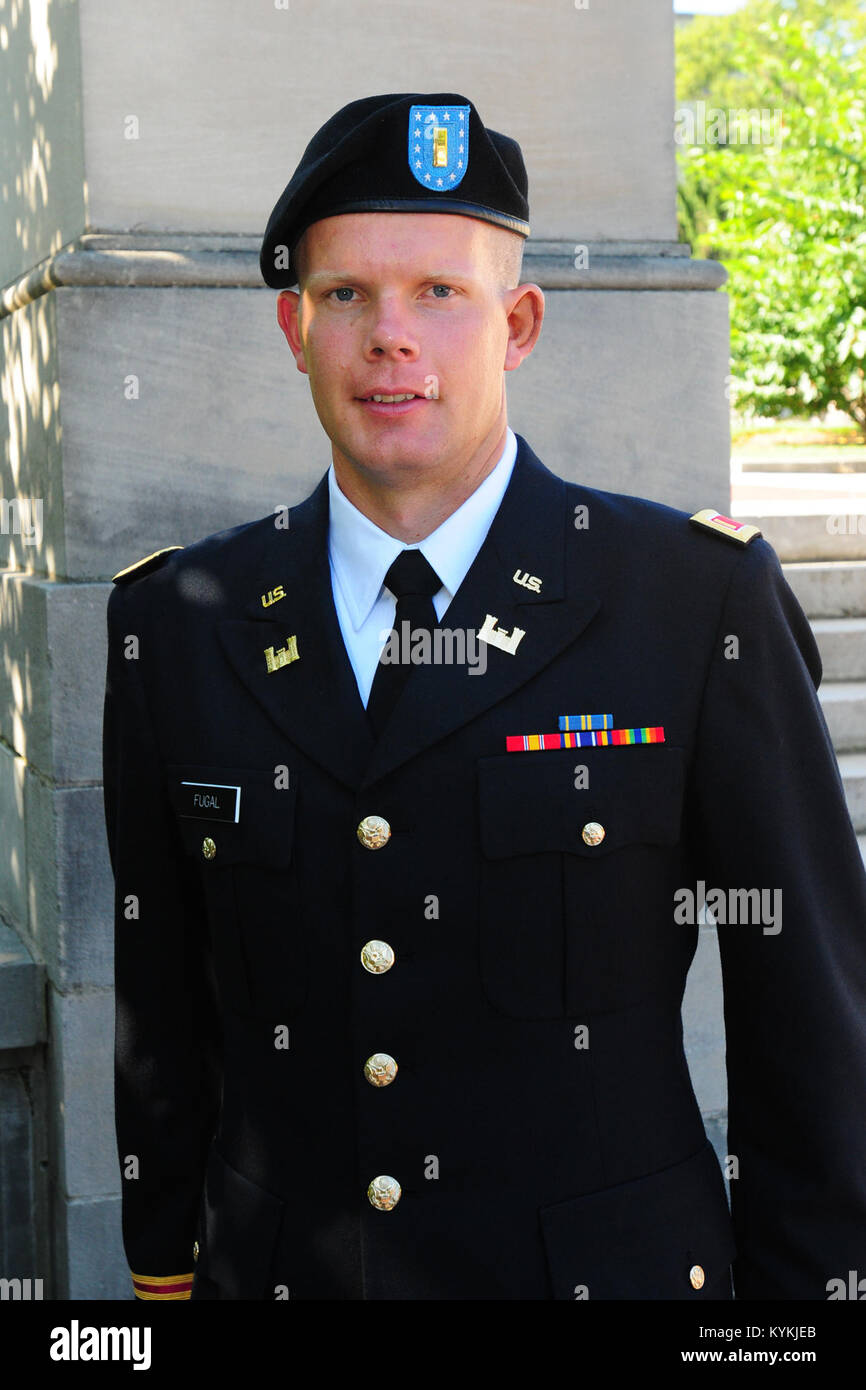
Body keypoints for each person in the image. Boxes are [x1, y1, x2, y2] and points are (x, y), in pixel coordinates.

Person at [102, 92, 866, 1302]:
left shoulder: (689, 603)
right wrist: (162, 1269)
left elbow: (810, 1022)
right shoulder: (176, 623)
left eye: (437, 294)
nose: (388, 337)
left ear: (516, 323)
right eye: (345, 294)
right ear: (293, 330)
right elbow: (161, 1005)